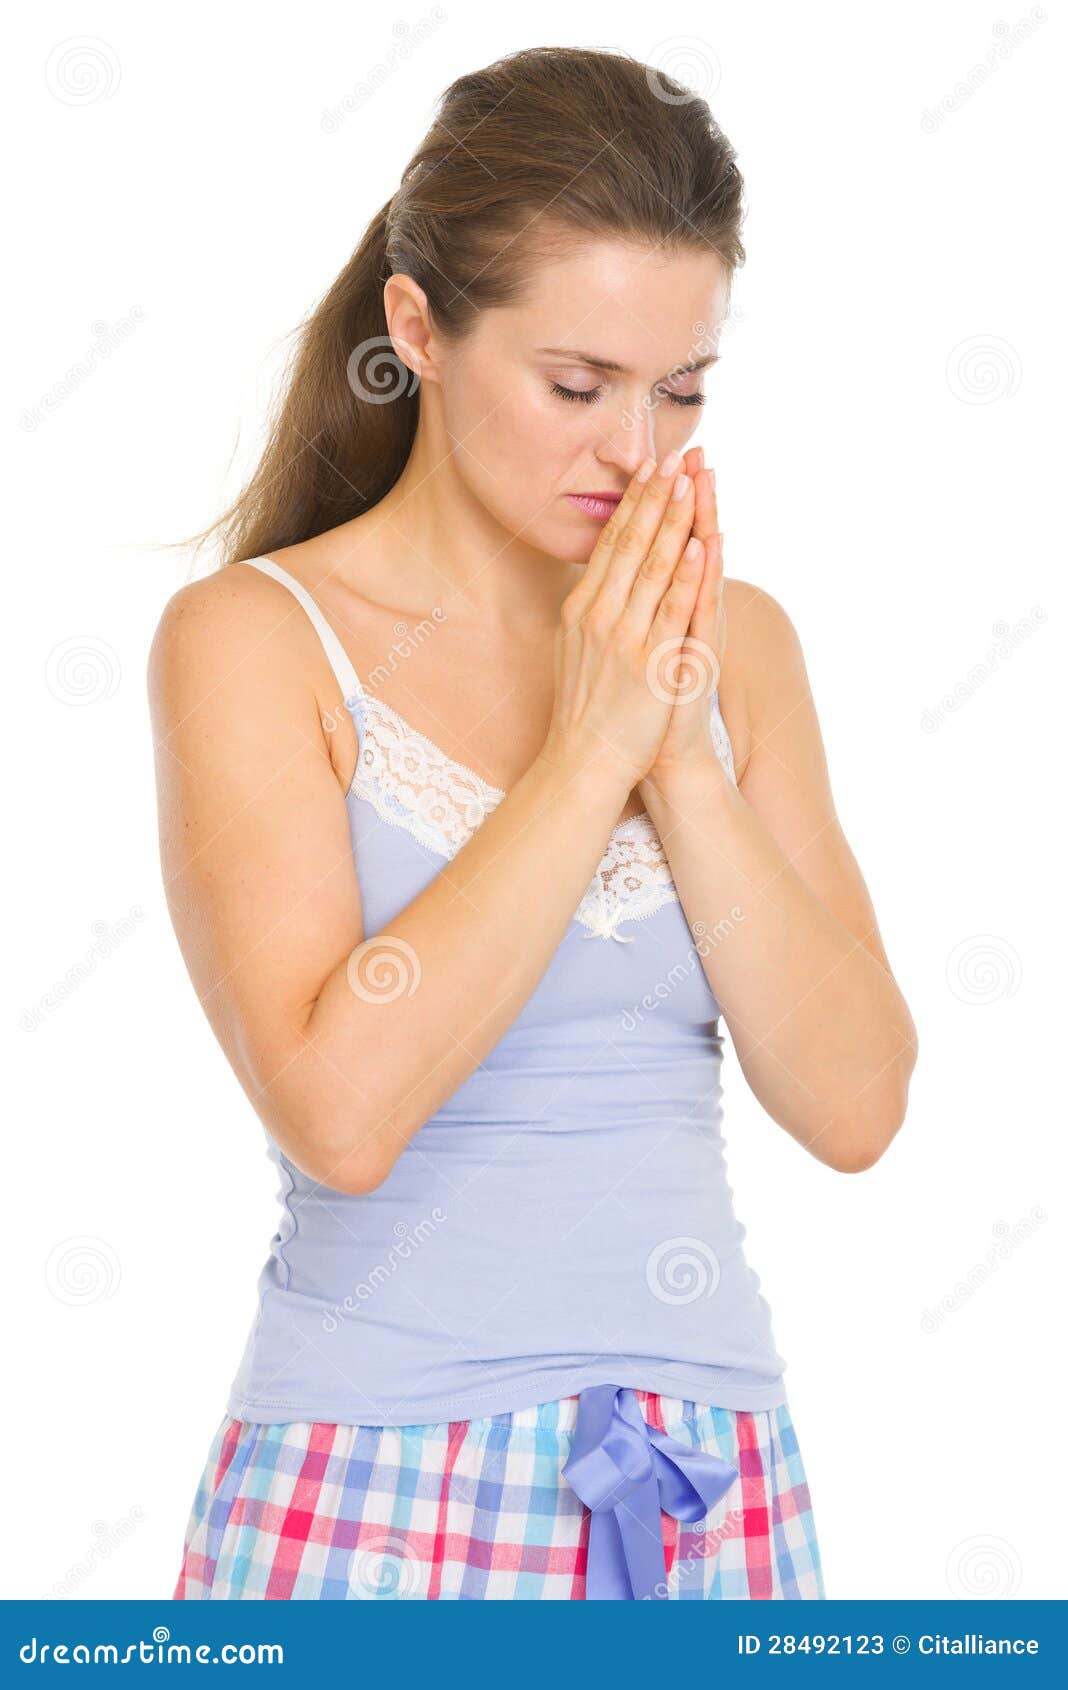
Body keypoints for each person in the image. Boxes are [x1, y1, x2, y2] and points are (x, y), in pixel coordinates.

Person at [148, 44, 917, 1601]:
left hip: (708, 1478)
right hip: (371, 1488)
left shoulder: (739, 646)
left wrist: (679, 758)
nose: (637, 450)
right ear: (418, 328)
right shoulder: (257, 641)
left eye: (680, 388)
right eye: (577, 385)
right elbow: (340, 1117)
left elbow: (857, 1107)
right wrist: (587, 754)